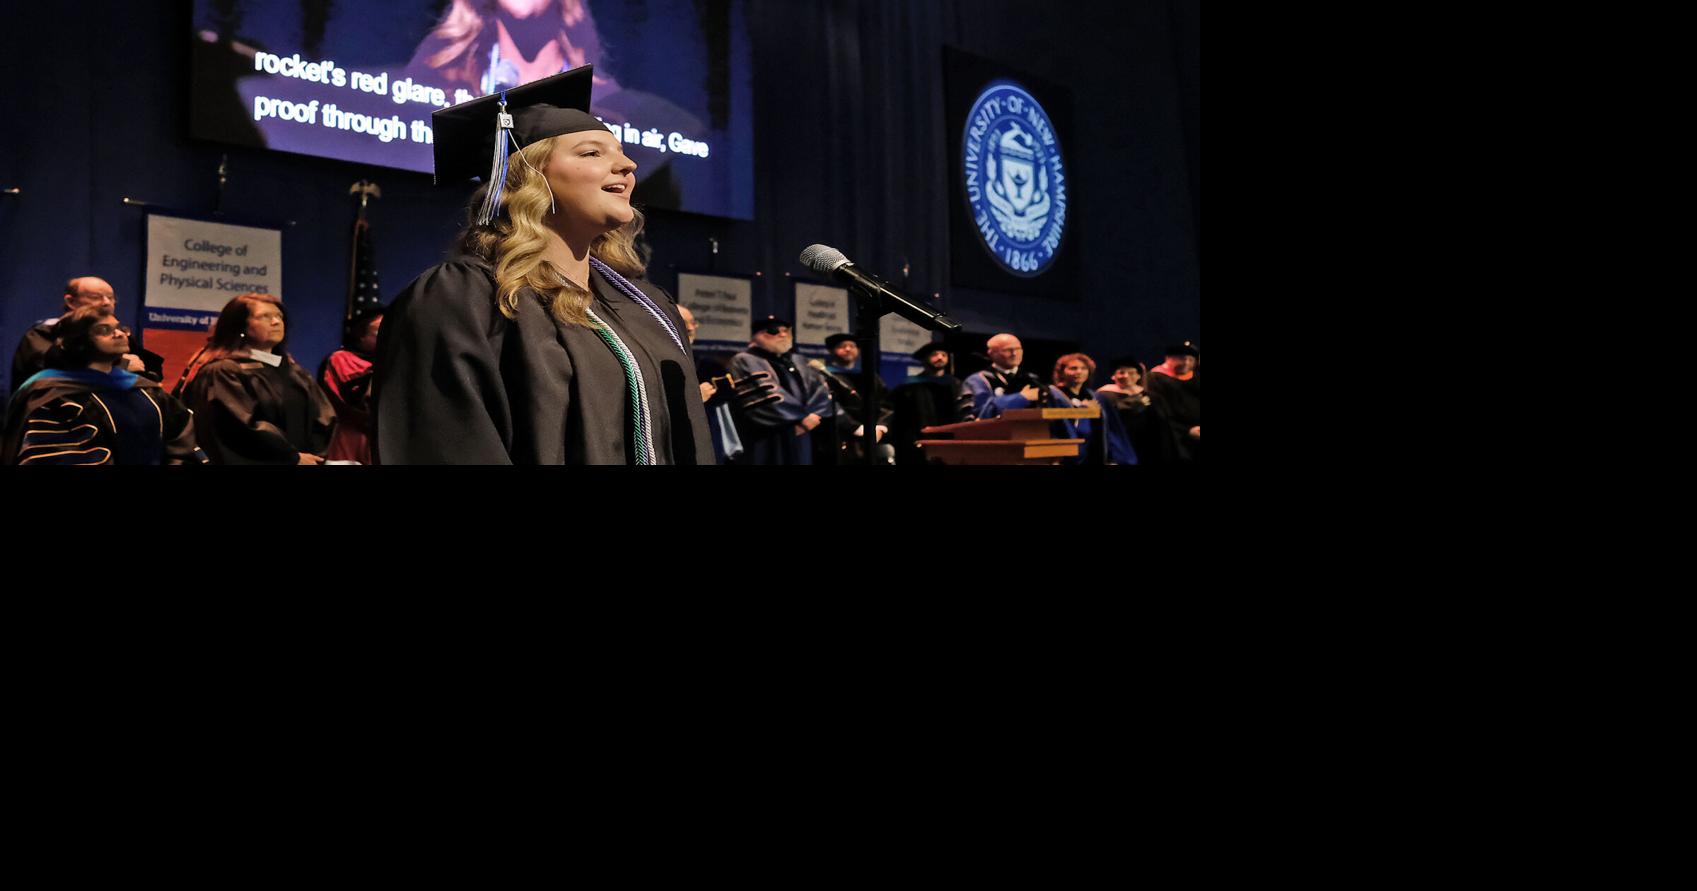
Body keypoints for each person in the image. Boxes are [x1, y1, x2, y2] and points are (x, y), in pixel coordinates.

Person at [373, 67, 713, 464]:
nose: (628, 166)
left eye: (622, 153)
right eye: (592, 153)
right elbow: (446, 443)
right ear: (526, 177)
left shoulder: (647, 308)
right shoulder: (467, 299)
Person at [3, 306, 205, 465]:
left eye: (119, 328)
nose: (118, 334)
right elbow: (59, 456)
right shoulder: (54, 395)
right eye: (104, 330)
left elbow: (181, 442)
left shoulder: (146, 390)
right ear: (78, 341)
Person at [181, 292, 336, 465]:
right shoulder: (223, 372)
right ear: (240, 326)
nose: (276, 322)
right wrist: (291, 457)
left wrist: (311, 457)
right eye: (264, 316)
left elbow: (324, 418)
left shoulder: (295, 372)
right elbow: (236, 426)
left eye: (279, 316)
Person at [11, 276, 159, 393]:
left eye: (111, 297)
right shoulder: (46, 332)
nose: (106, 303)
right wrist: (121, 365)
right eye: (96, 297)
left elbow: (148, 370)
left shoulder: (120, 333)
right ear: (70, 301)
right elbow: (55, 366)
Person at [726, 315, 833, 465]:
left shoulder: (798, 360)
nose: (782, 334)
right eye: (773, 330)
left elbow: (819, 391)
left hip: (803, 433)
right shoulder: (744, 360)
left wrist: (815, 415)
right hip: (767, 436)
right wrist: (802, 418)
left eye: (786, 331)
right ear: (756, 335)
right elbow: (763, 395)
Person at [812, 332, 892, 464]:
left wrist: (880, 426)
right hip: (837, 435)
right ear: (832, 351)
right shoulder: (824, 376)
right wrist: (855, 427)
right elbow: (826, 405)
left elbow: (885, 403)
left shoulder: (871, 376)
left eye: (852, 346)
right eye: (842, 346)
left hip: (872, 435)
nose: (848, 349)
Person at [889, 341, 974, 465]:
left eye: (943, 355)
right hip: (919, 442)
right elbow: (901, 419)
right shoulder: (909, 386)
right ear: (925, 359)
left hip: (950, 442)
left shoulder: (956, 384)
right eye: (935, 354)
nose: (940, 357)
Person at [319, 306, 385, 465]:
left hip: (384, 439)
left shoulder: (393, 361)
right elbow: (357, 399)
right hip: (352, 441)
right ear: (360, 336)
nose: (387, 337)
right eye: (379, 333)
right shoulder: (341, 359)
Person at [1048, 352, 1136, 465]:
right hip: (1069, 454)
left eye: (1084, 368)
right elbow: (1062, 428)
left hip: (1094, 454)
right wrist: (1085, 410)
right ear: (1062, 372)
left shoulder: (1094, 396)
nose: (1079, 372)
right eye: (1073, 368)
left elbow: (1107, 429)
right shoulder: (1055, 396)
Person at [1096, 357, 1183, 465]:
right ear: (1113, 376)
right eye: (1121, 372)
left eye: (1131, 373)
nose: (1126, 376)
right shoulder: (1104, 396)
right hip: (1119, 443)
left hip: (1148, 446)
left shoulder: (1152, 397)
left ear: (1138, 376)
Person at [964, 333, 1045, 419]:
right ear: (992, 353)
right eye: (1008, 350)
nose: (1014, 353)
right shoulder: (978, 380)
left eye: (1018, 349)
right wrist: (1021, 398)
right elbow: (979, 414)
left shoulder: (1032, 379)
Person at [1146, 341, 1201, 462]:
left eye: (1191, 360)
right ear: (1168, 359)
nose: (1186, 363)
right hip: (1174, 437)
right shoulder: (1155, 378)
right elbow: (1161, 412)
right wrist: (1186, 430)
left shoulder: (1196, 377)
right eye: (1181, 358)